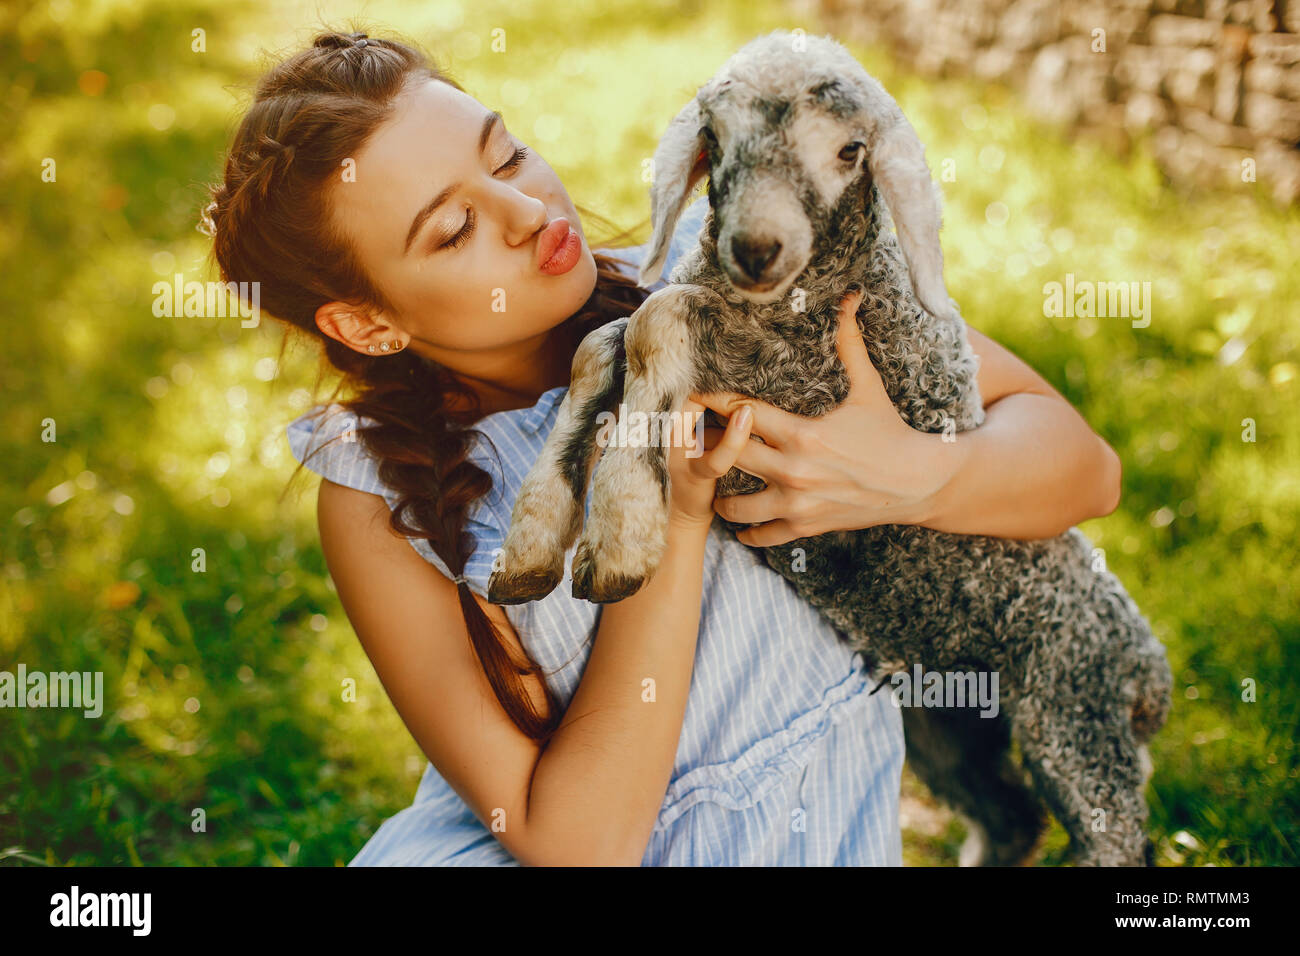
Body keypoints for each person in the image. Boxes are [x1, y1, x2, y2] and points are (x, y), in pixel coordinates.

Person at [206, 31, 1122, 866]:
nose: (526, 209)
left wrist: (917, 477)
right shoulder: (374, 499)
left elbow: (1088, 470)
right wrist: (668, 517)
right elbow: (578, 846)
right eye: (455, 230)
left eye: (506, 154)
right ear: (366, 324)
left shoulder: (735, 283)